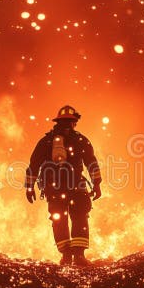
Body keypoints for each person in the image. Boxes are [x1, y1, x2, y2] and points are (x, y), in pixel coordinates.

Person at [25, 105, 102, 266]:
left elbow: (34, 164)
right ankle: (79, 256)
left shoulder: (46, 141)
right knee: (80, 217)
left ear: (57, 122)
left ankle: (66, 255)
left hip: (54, 187)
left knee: (58, 219)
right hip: (76, 186)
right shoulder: (80, 139)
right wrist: (96, 183)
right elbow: (91, 162)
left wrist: (30, 187)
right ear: (74, 122)